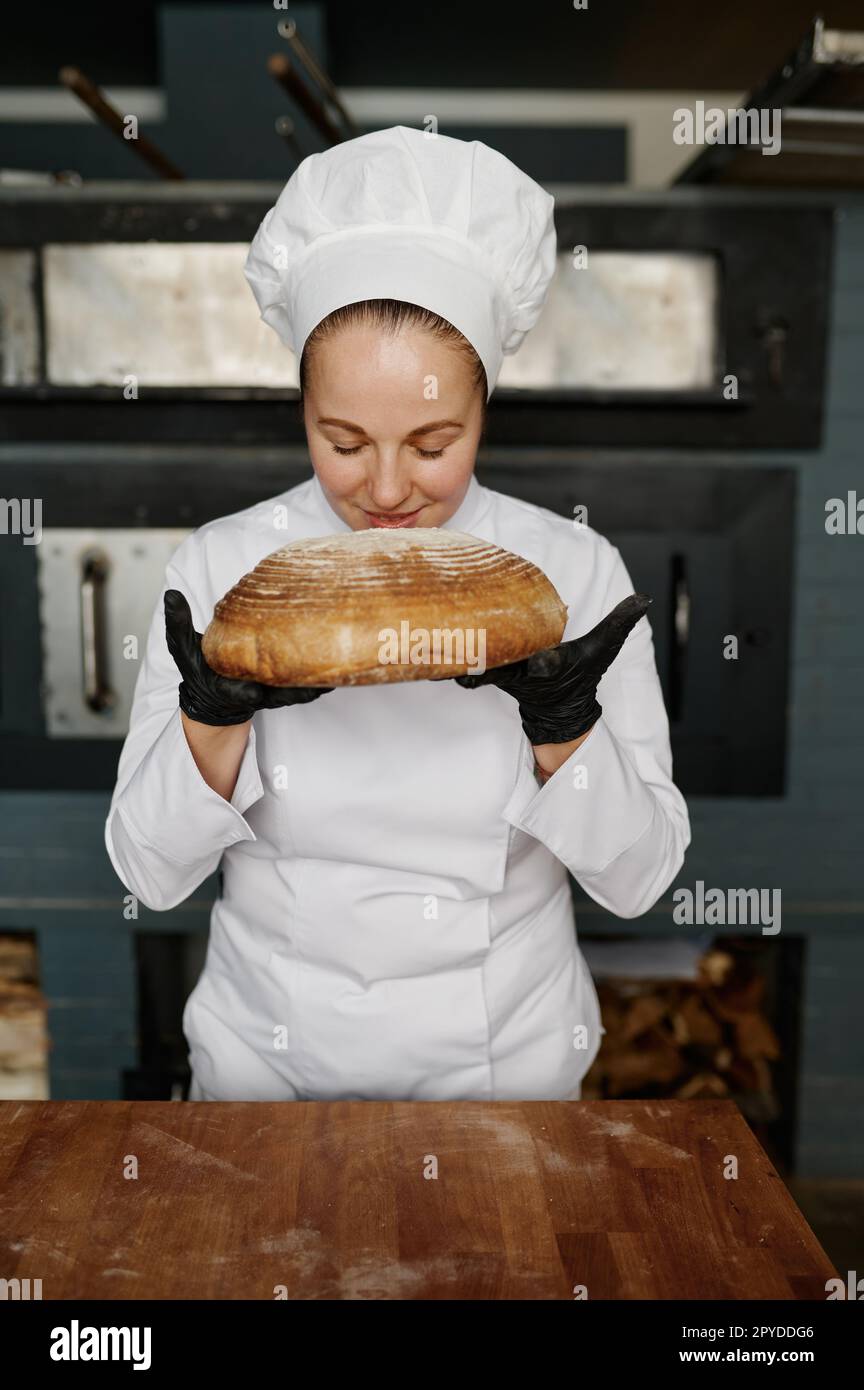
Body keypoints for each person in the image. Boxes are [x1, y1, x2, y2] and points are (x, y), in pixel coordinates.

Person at [105, 126, 690, 1103]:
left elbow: (640, 883)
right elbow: (147, 872)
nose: (385, 487)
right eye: (342, 440)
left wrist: (565, 730)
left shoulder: (570, 572)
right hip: (267, 1066)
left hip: (506, 1065)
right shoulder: (223, 567)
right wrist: (212, 720)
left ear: (486, 408)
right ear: (301, 411)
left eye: (432, 442)